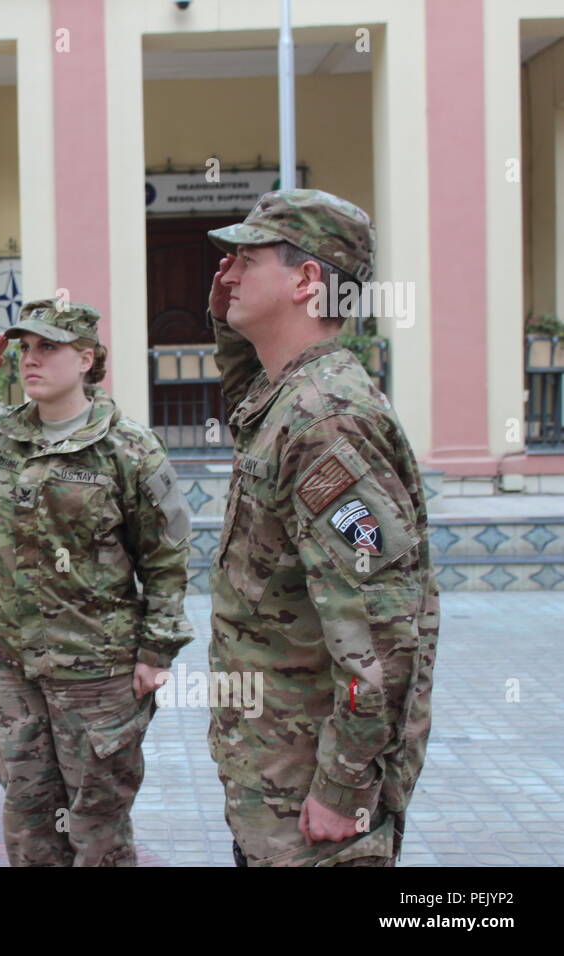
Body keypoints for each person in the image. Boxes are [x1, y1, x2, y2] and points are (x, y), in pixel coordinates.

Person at [0, 299, 194, 866]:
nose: (31, 360)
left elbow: (165, 555)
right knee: (28, 816)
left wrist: (157, 650)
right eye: (25, 348)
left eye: (49, 348)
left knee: (97, 825)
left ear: (86, 358)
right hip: (13, 663)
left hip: (97, 669)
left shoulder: (127, 448)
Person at [205, 189, 440, 866]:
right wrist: (228, 319)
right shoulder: (287, 397)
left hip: (312, 803)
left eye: (245, 259)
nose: (226, 273)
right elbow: (245, 393)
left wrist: (344, 786)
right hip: (274, 778)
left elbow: (381, 630)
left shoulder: (326, 419)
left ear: (307, 280)